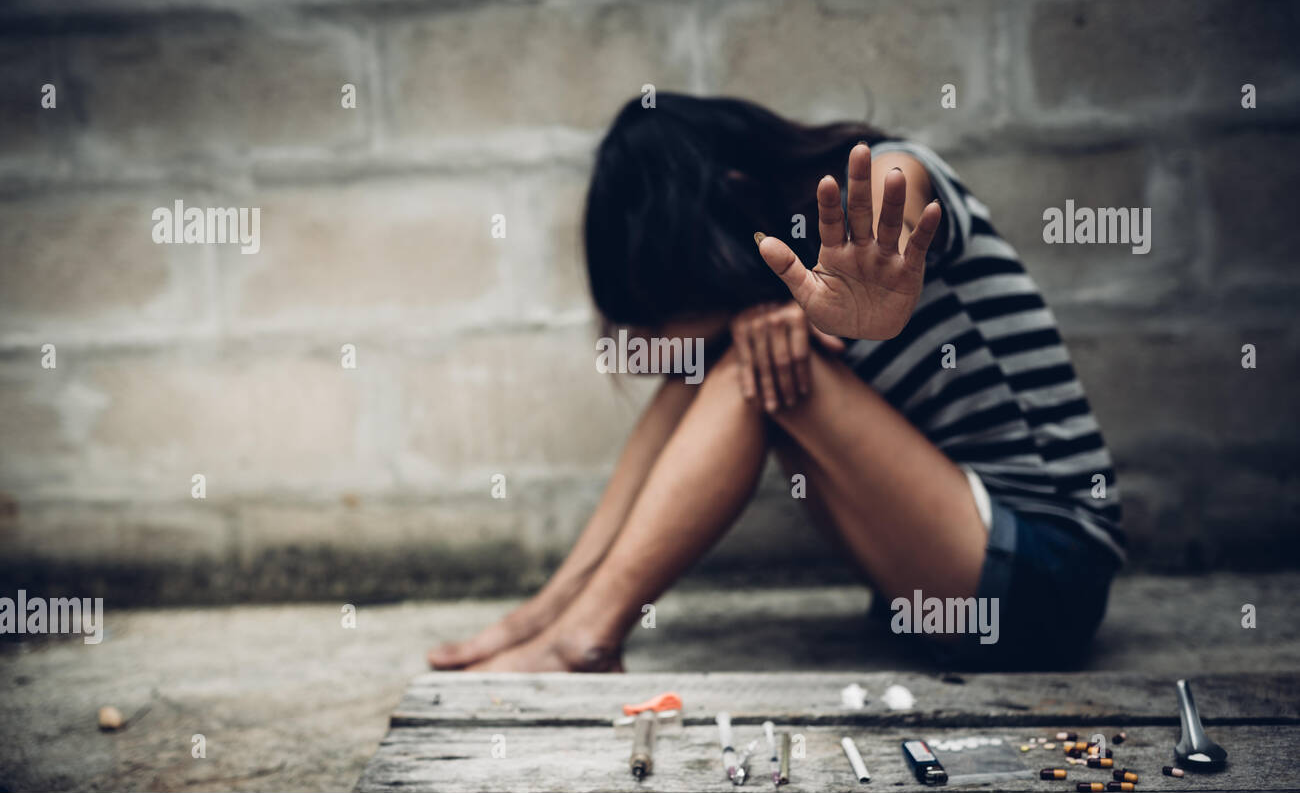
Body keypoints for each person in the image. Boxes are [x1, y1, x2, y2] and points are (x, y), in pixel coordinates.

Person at [428, 94, 1124, 672]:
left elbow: (900, 193)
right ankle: (560, 615)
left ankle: (584, 640)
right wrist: (541, 610)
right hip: (944, 588)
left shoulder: (883, 180)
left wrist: (877, 289)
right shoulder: (764, 313)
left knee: (750, 368)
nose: (658, 337)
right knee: (735, 360)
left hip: (1047, 578)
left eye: (667, 304)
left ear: (730, 202)